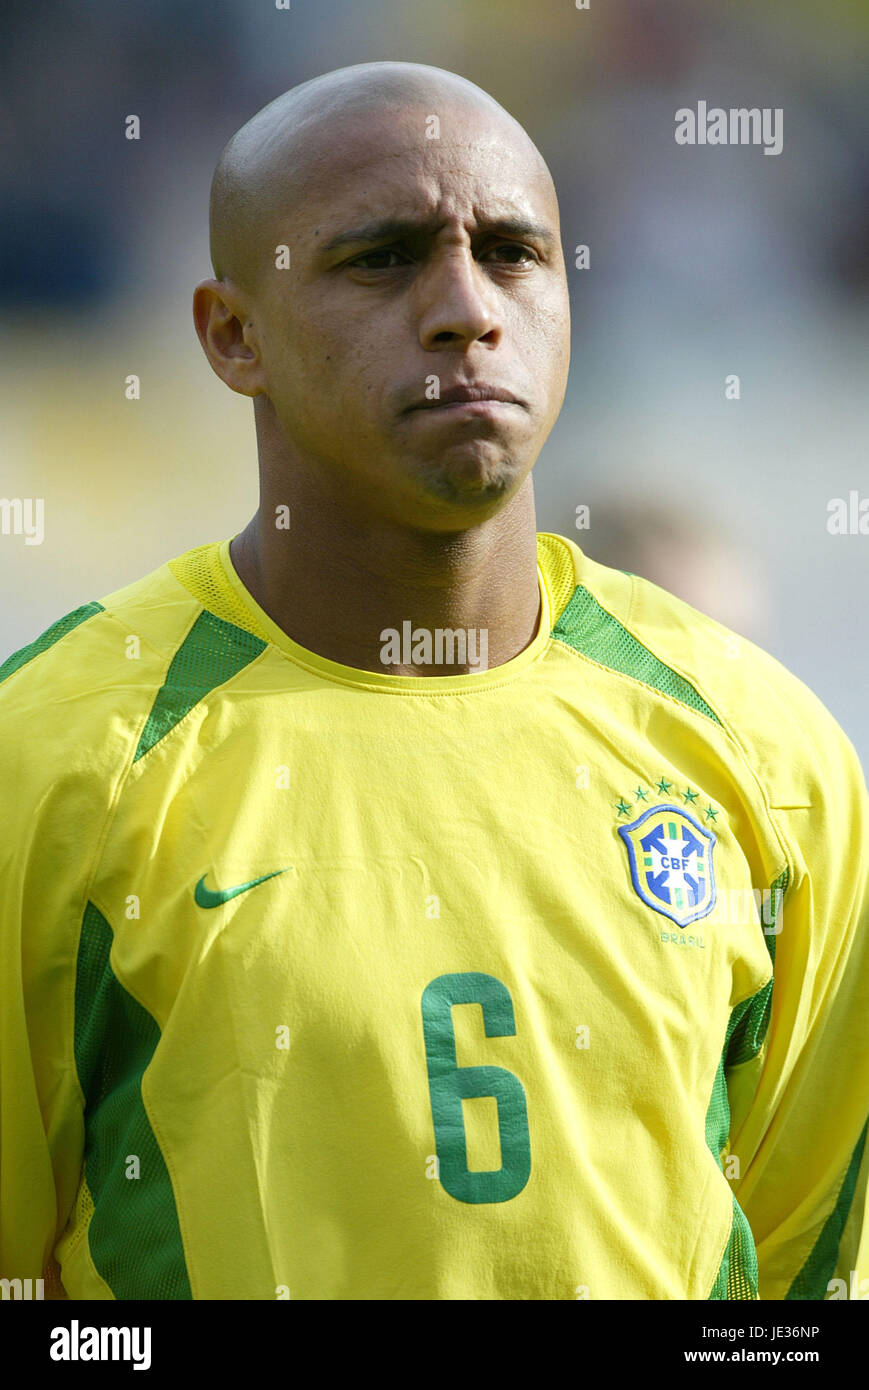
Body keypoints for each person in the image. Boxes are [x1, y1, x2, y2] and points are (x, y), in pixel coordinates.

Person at [1, 61, 866, 1302]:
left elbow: (801, 1277)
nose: (467, 307)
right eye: (382, 258)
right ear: (232, 335)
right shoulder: (50, 756)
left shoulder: (767, 754)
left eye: (514, 253)